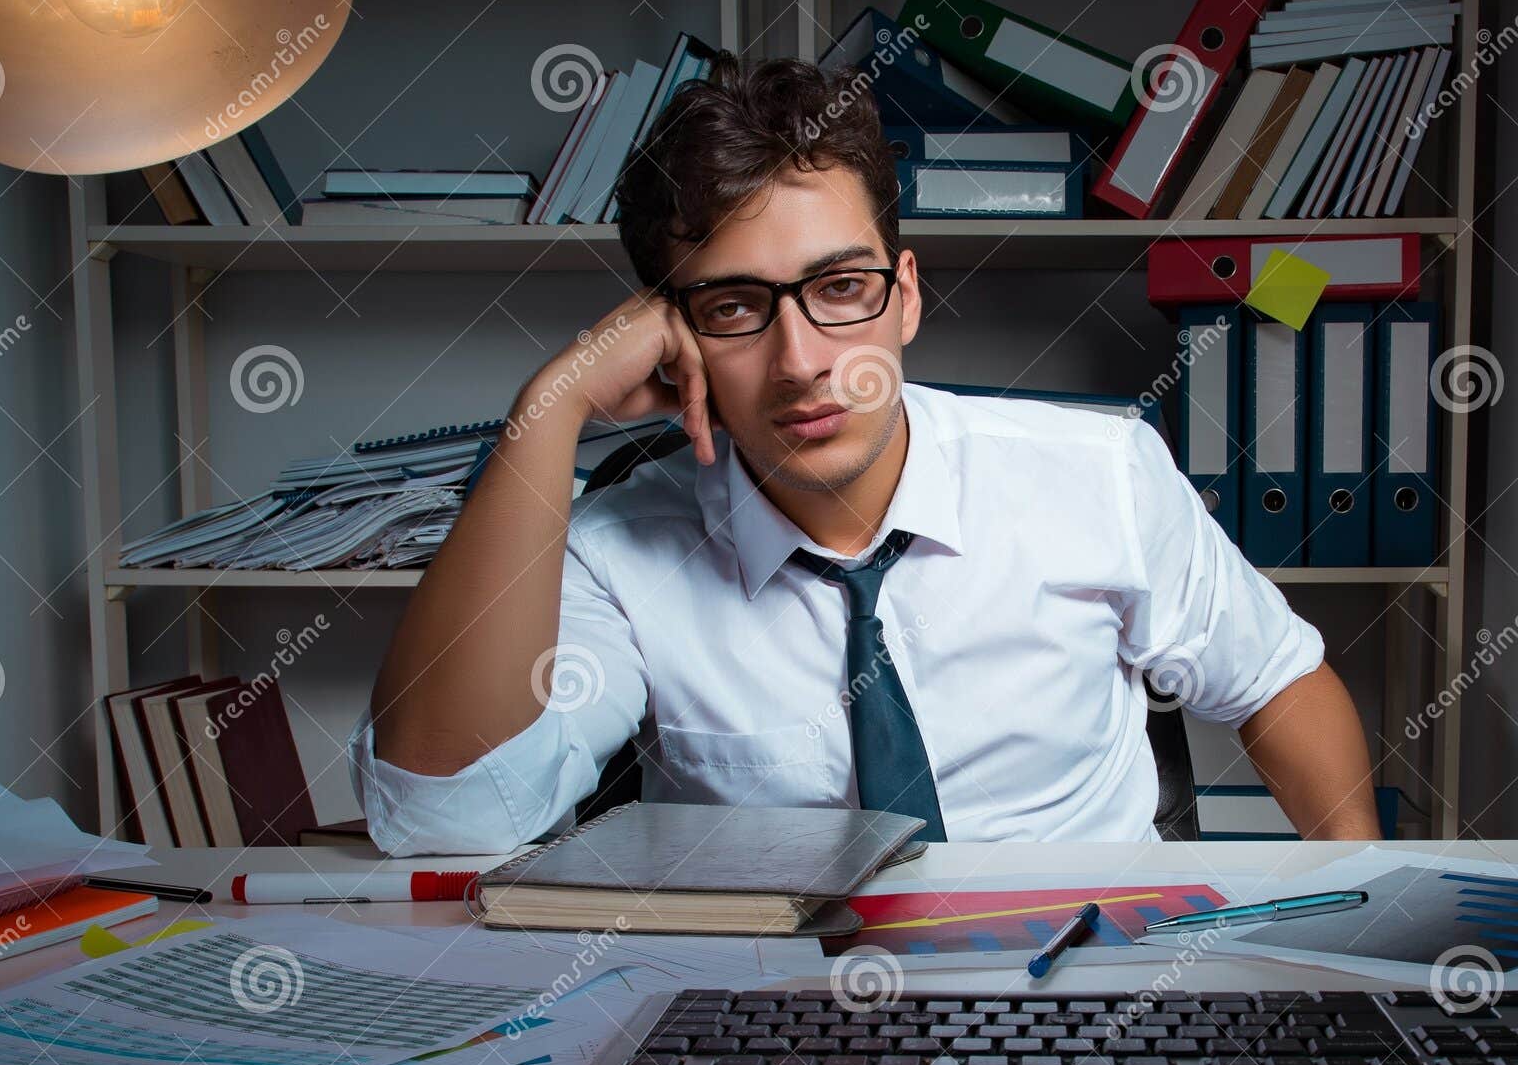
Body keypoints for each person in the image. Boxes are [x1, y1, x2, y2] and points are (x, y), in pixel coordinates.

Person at [349, 53, 1381, 854]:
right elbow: (444, 819)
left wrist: (1359, 912)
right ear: (673, 340)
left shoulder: (1099, 472)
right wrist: (552, 404)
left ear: (908, 294)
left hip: (1090, 974)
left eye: (842, 288)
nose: (802, 363)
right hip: (771, 1014)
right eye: (736, 306)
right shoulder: (620, 551)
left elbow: (1275, 685)